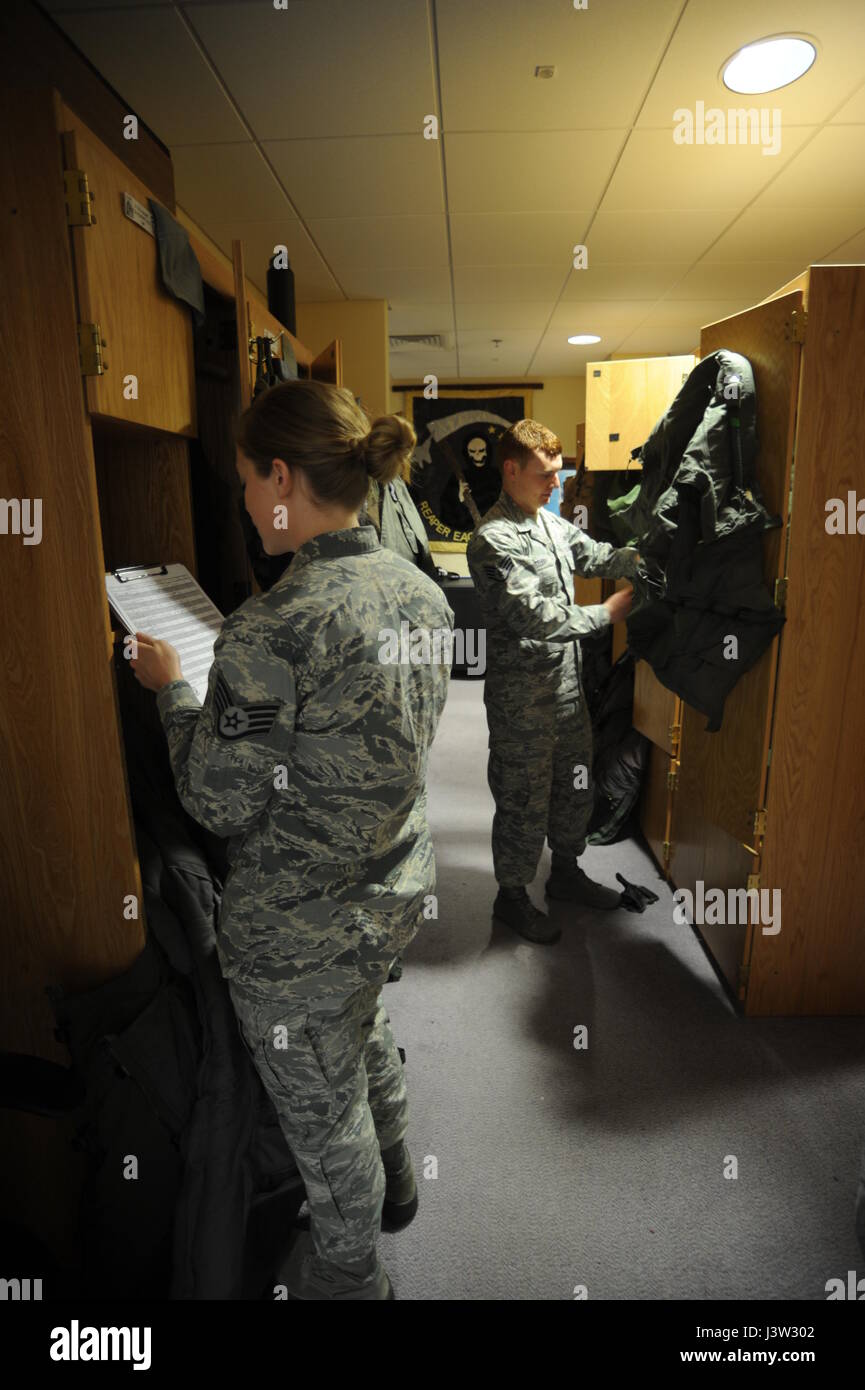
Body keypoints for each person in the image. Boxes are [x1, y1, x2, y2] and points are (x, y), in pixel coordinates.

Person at [130, 379, 453, 1300]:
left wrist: (173, 690)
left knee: (321, 1105)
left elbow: (220, 801)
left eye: (243, 480)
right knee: (358, 1033)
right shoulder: (419, 593)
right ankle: (396, 1186)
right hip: (389, 885)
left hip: (299, 928)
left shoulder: (276, 624)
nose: (241, 501)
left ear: (281, 476)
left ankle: (349, 1275)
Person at [467, 419, 639, 946]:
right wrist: (605, 615)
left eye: (558, 475)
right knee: (522, 797)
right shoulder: (492, 540)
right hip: (521, 700)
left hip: (566, 691)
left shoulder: (550, 524)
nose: (554, 485)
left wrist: (651, 559)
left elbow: (599, 555)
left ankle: (565, 872)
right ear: (511, 469)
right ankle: (512, 896)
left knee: (573, 785)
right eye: (545, 475)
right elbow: (534, 616)